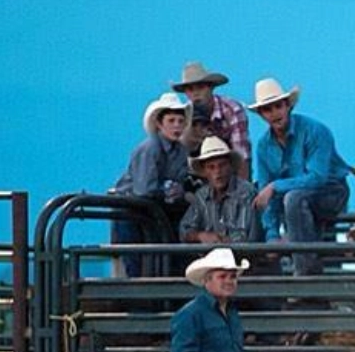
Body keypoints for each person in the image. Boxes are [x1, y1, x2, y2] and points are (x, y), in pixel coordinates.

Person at [249, 77, 350, 276]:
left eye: (278, 106)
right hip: (295, 205)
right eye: (268, 109)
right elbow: (264, 192)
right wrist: (271, 235)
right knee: (265, 198)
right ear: (262, 115)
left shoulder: (315, 131)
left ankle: (305, 274)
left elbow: (318, 178)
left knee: (292, 198)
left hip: (331, 192)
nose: (275, 113)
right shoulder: (263, 146)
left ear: (288, 106)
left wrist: (275, 186)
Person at [111, 92, 193, 277]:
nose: (177, 126)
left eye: (180, 121)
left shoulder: (180, 151)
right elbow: (143, 189)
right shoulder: (149, 148)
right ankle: (138, 299)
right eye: (171, 121)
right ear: (159, 123)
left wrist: (176, 191)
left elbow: (178, 182)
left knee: (160, 257)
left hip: (154, 209)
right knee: (135, 262)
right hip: (130, 209)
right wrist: (169, 191)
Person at [172, 62, 252, 179]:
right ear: (186, 93)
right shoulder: (183, 115)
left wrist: (243, 192)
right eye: (190, 89)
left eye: (200, 87)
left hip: (231, 173)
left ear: (211, 87)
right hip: (197, 174)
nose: (195, 93)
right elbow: (179, 154)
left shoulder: (232, 109)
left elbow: (242, 155)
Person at [180, 136, 263, 244]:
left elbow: (250, 238)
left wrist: (220, 242)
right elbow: (184, 230)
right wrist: (200, 236)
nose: (217, 172)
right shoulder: (201, 196)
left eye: (222, 165)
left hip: (242, 258)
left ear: (230, 166)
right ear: (204, 171)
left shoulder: (247, 193)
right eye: (211, 167)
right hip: (209, 258)